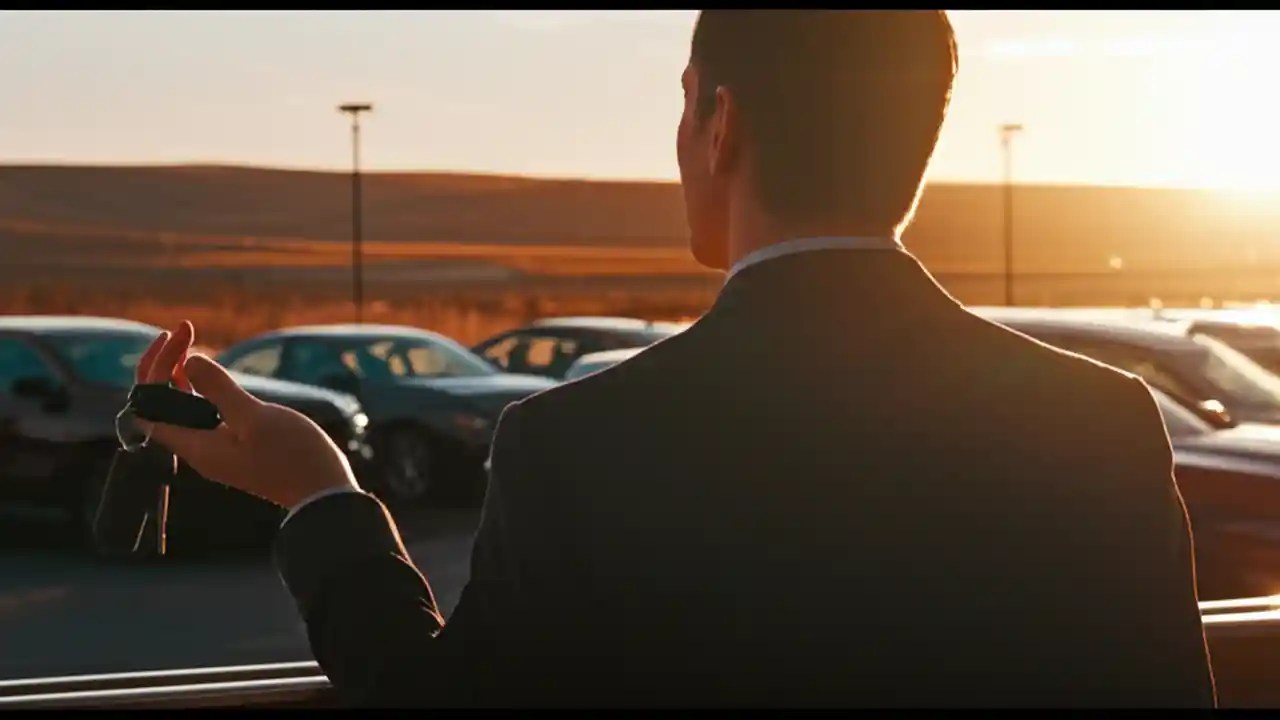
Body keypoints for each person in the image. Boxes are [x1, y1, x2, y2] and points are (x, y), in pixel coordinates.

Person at [138, 10, 1215, 707]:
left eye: (683, 99)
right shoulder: (1100, 424)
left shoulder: (575, 446)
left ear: (719, 124)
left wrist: (320, 494)